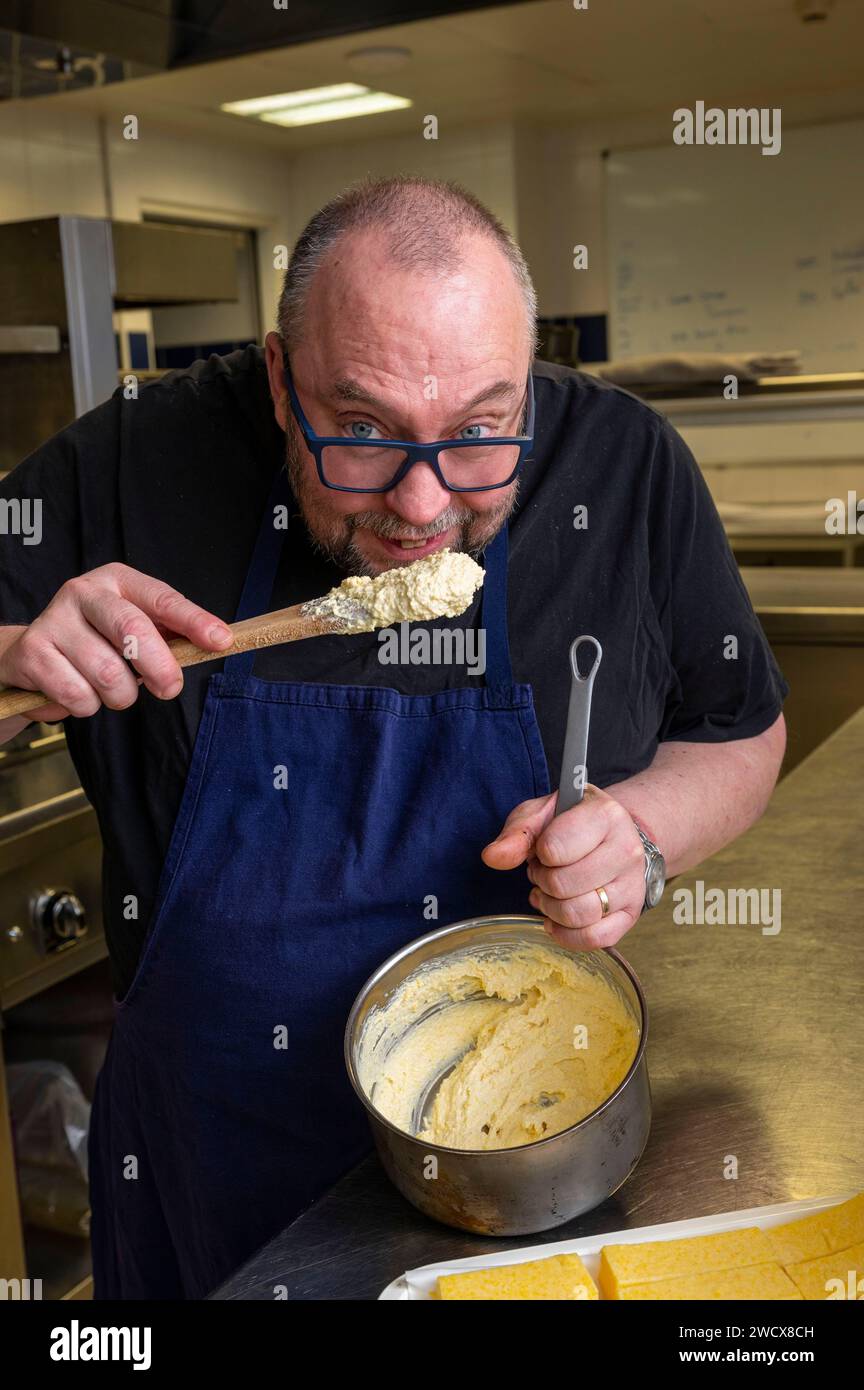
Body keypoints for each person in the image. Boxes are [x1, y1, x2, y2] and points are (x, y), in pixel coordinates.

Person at [0, 177, 787, 1298]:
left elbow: (742, 731)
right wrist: (16, 648)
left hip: (532, 1165)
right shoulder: (136, 457)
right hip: (213, 1168)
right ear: (280, 379)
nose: (422, 508)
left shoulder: (624, 468)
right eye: (361, 431)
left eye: (479, 432)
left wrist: (645, 836)